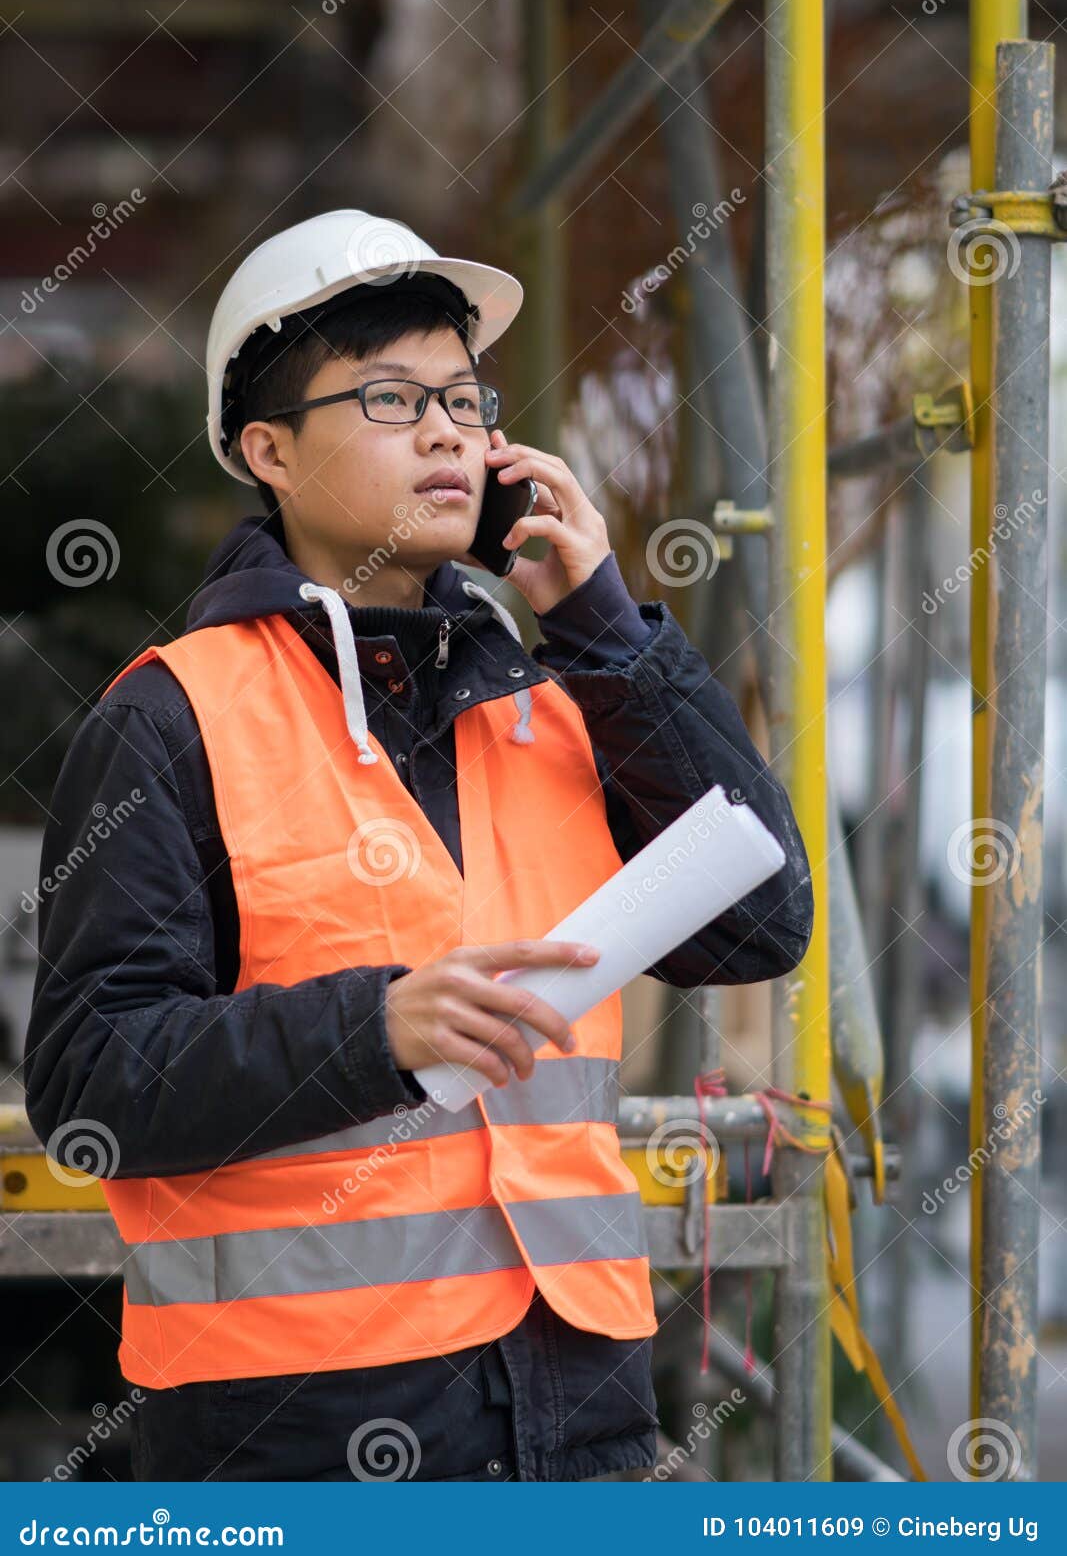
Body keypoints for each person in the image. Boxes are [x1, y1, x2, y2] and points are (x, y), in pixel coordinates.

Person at [24, 210, 814, 1483]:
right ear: (266, 450)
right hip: (296, 1437)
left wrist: (610, 630)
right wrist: (372, 1031)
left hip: (577, 1413)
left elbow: (760, 921)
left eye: (463, 396)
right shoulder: (171, 718)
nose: (449, 430)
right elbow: (87, 1083)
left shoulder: (560, 694)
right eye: (391, 398)